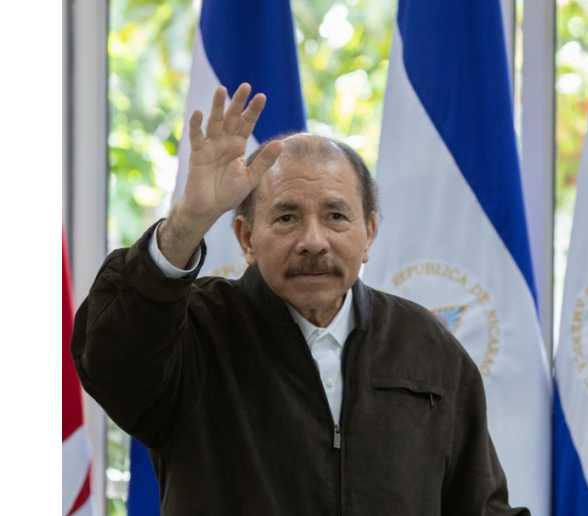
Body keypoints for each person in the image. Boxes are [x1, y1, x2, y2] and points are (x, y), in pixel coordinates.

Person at [72, 83, 528, 515]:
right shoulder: (194, 330)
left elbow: (479, 505)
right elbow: (110, 363)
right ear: (246, 238)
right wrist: (188, 222)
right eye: (287, 218)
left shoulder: (424, 345)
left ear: (368, 234)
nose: (313, 241)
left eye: (335, 216)